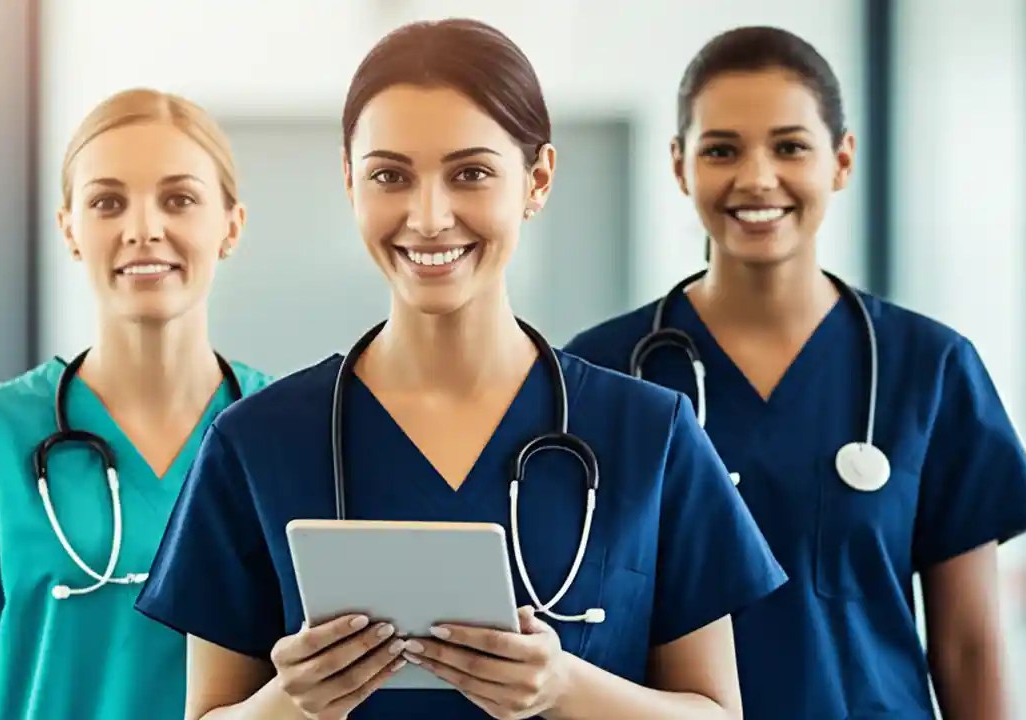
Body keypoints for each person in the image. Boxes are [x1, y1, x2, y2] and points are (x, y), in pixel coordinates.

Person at [135, 18, 787, 720]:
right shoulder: (256, 442)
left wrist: (565, 688)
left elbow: (720, 715)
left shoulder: (649, 434)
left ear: (537, 180)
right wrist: (292, 704)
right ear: (350, 184)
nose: (429, 216)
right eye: (390, 175)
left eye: (470, 173)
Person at [564, 26, 1026, 720]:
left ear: (842, 159)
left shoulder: (931, 370)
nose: (757, 177)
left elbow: (969, 646)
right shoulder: (602, 372)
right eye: (721, 149)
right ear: (679, 165)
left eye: (790, 146)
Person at [0, 88, 272, 719]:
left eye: (179, 199)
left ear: (231, 225)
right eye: (107, 202)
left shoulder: (294, 437)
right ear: (69, 229)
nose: (143, 229)